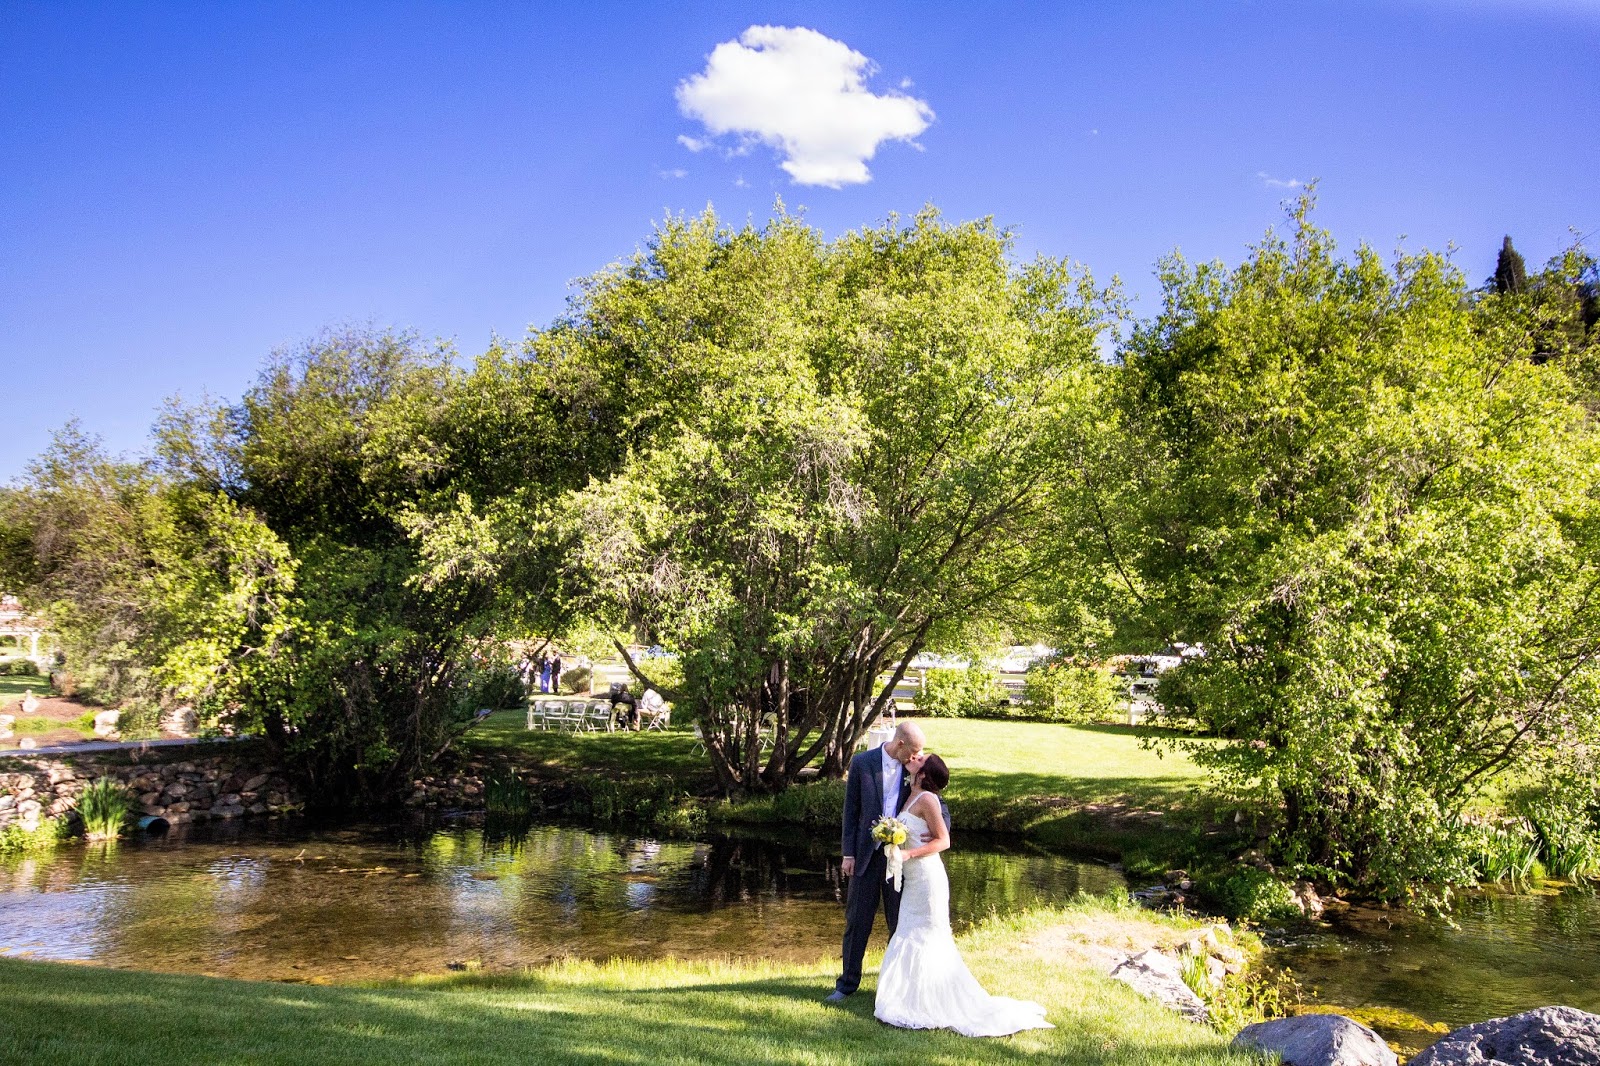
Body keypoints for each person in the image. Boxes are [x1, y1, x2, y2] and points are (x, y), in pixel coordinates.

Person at [873, 753, 1054, 1037]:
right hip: (913, 879)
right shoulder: (911, 795)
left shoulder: (928, 800)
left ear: (923, 773)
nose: (915, 758)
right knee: (908, 930)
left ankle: (933, 1000)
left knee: (927, 936)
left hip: (928, 879)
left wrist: (908, 852)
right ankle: (908, 997)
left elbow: (943, 840)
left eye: (921, 759)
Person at [827, 721, 948, 1004]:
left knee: (899, 923)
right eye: (915, 751)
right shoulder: (862, 763)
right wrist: (848, 854)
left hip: (902, 863)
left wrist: (939, 834)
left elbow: (938, 804)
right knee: (857, 922)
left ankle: (897, 985)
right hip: (866, 857)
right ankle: (846, 985)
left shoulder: (915, 773)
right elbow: (851, 810)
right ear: (901, 744)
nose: (918, 757)